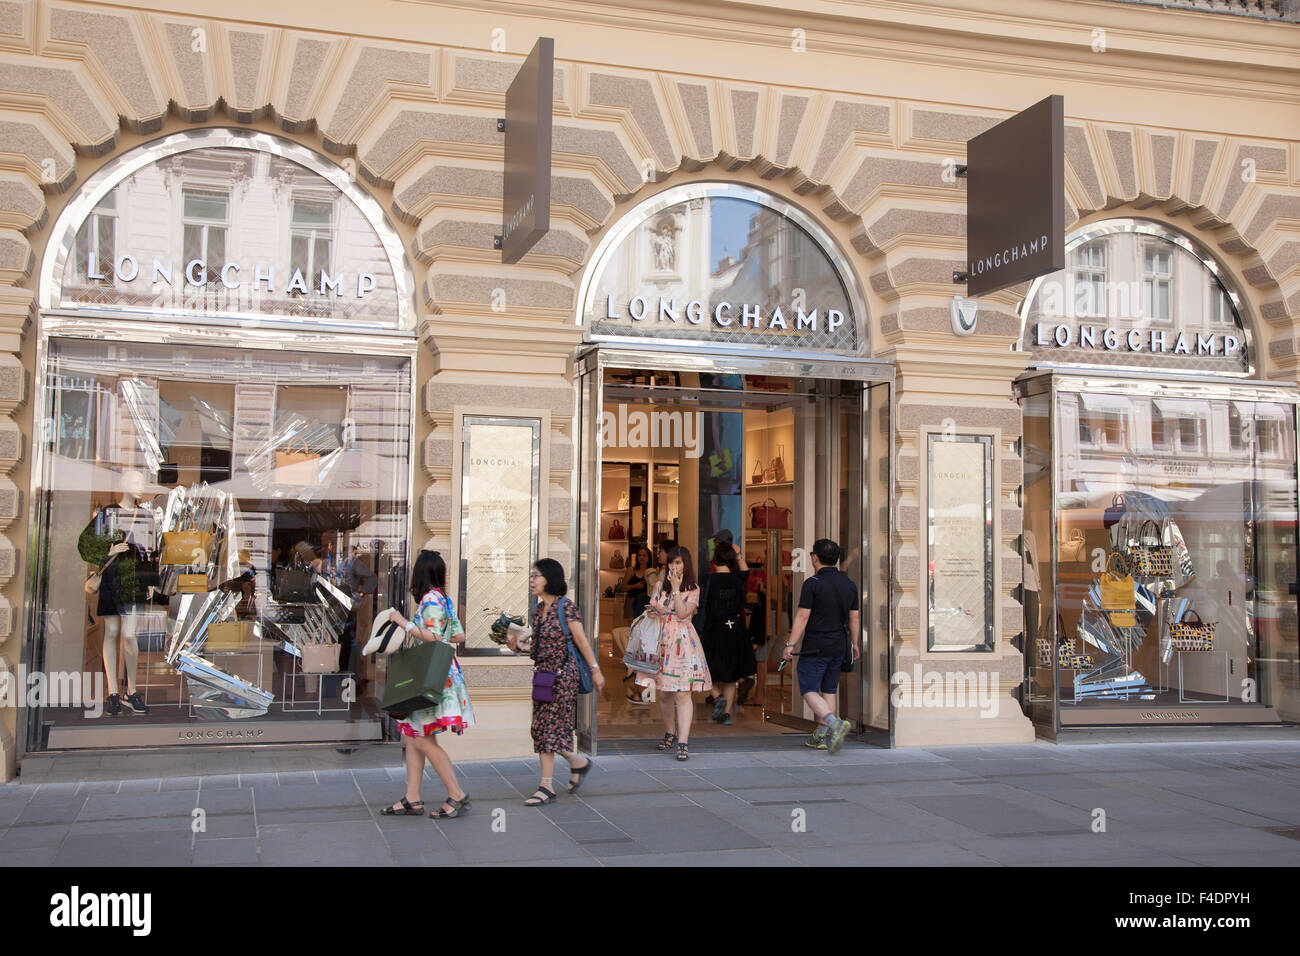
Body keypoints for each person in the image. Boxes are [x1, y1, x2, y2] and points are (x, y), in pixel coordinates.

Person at [378, 550, 475, 819]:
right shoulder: (443, 599)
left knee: (421, 739)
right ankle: (412, 798)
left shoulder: (430, 599)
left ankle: (456, 794)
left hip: (429, 675)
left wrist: (404, 623)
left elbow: (433, 637)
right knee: (412, 737)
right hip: (441, 673)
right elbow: (458, 634)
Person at [509, 558, 605, 805]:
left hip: (563, 676)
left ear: (549, 578)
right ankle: (577, 761)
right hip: (543, 675)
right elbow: (537, 650)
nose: (532, 580)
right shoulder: (538, 611)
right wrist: (516, 646)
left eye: (536, 576)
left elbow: (582, 641)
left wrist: (595, 669)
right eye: (531, 576)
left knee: (550, 726)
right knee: (541, 727)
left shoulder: (566, 607)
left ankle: (546, 785)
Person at [781, 538, 860, 754]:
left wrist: (790, 644)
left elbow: (803, 617)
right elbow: (854, 618)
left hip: (816, 645)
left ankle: (834, 724)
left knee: (808, 688)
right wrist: (854, 643)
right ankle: (822, 737)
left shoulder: (812, 584)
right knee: (829, 689)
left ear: (815, 558)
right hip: (839, 645)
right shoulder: (849, 585)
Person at [647, 545, 711, 760]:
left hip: (683, 644)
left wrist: (675, 590)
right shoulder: (658, 586)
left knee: (683, 692)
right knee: (664, 692)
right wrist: (652, 611)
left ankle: (683, 741)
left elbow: (683, 614)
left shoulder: (693, 589)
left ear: (686, 565)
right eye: (671, 562)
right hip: (661, 641)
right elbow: (653, 609)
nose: (674, 566)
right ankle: (669, 732)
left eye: (678, 562)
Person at [700, 541, 755, 726]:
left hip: (713, 630)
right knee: (731, 676)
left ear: (715, 560)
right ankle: (726, 714)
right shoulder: (738, 579)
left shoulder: (708, 580)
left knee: (705, 670)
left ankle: (716, 696)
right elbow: (746, 571)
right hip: (736, 631)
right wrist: (737, 555)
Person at [622, 546, 653, 618]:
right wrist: (635, 586)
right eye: (639, 555)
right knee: (631, 627)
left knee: (646, 626)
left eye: (644, 555)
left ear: (649, 558)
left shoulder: (652, 571)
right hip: (631, 601)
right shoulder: (631, 570)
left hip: (646, 602)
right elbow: (622, 587)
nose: (641, 557)